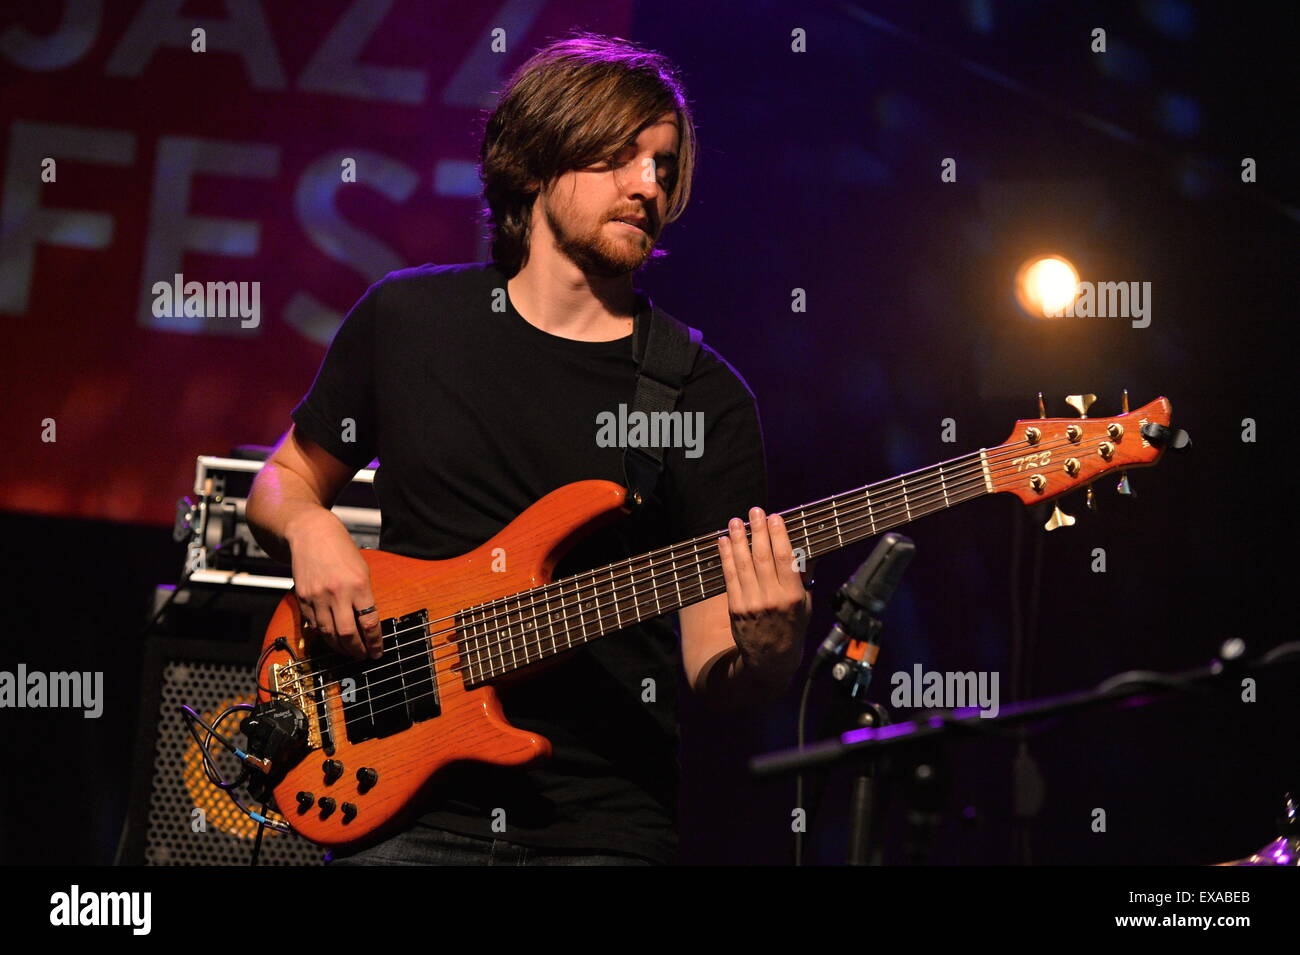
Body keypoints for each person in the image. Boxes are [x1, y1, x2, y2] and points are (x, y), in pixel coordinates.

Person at [246, 32, 811, 866]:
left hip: (601, 827)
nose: (647, 185)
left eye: (663, 165)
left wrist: (768, 651)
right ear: (539, 159)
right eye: (620, 156)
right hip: (397, 805)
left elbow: (712, 666)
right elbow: (281, 481)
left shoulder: (700, 395)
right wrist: (312, 531)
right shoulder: (407, 323)